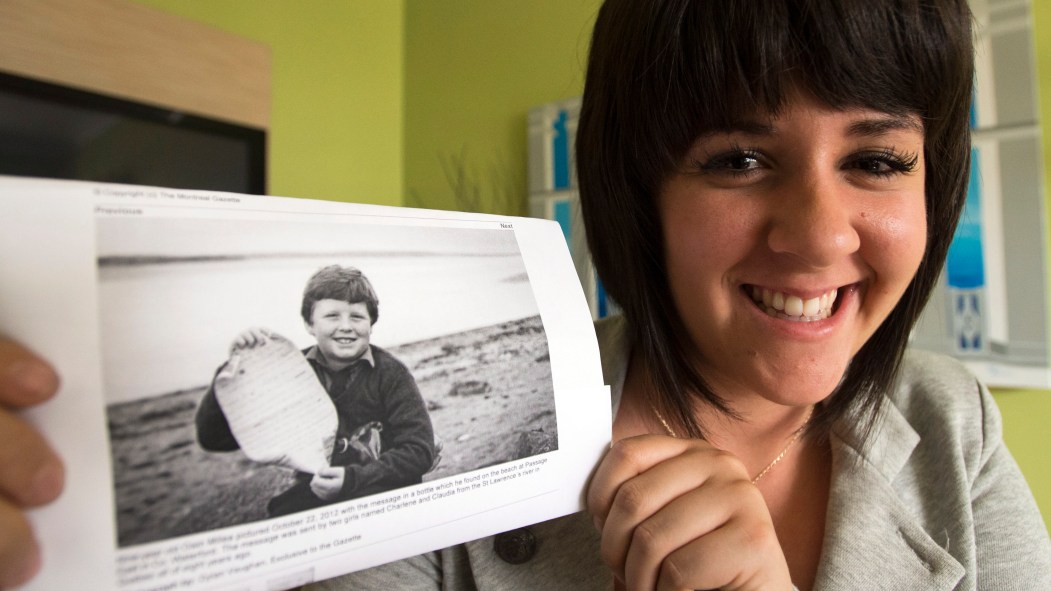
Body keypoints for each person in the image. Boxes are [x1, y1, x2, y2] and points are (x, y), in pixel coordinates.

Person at [2, 0, 1050, 589]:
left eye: (876, 162)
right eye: (736, 158)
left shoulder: (944, 421)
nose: (819, 233)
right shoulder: (463, 487)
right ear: (638, 193)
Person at [196, 264, 436, 517]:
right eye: (332, 316)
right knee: (283, 512)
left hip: (384, 490)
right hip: (319, 488)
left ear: (371, 323)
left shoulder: (391, 374)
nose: (346, 326)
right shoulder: (286, 372)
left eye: (357, 316)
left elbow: (419, 451)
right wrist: (236, 370)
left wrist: (351, 479)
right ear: (310, 324)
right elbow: (214, 439)